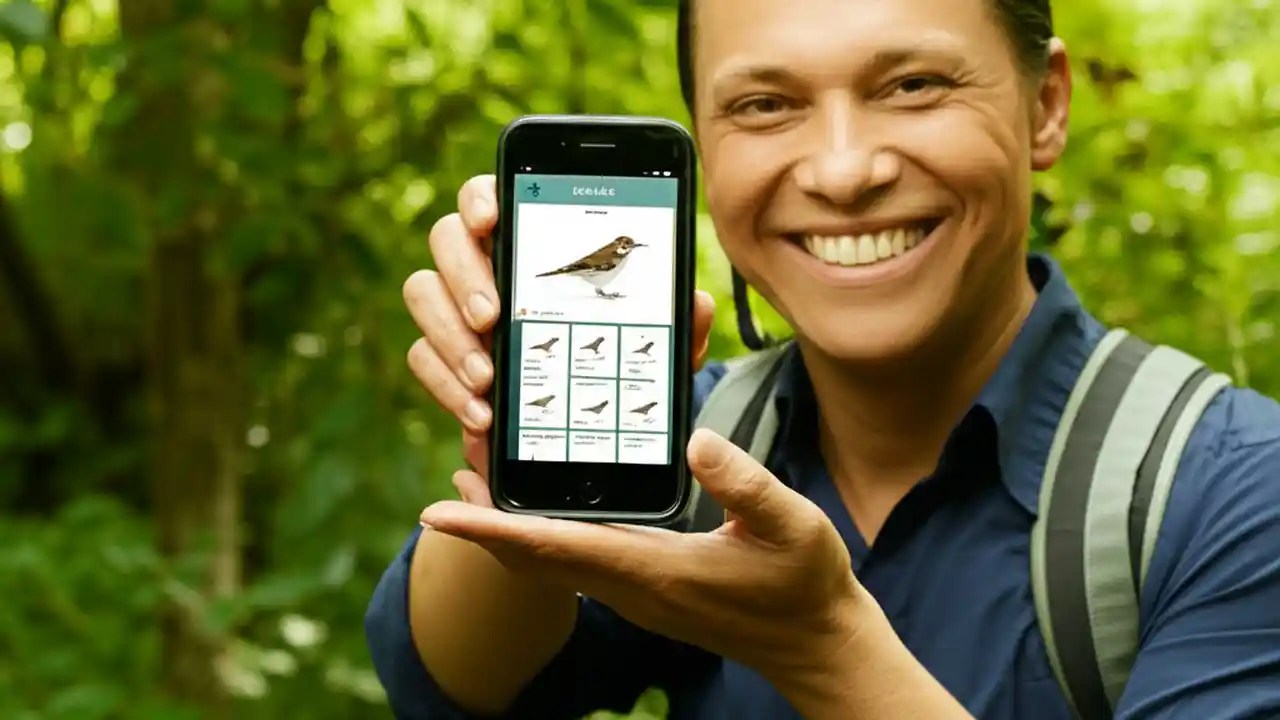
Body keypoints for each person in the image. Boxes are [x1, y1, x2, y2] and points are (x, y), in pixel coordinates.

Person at [365, 0, 1280, 717]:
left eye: (914, 84)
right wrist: (506, 433)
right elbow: (453, 691)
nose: (842, 171)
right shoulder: (685, 446)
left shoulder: (1234, 489)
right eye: (764, 105)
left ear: (1046, 105)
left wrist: (822, 648)